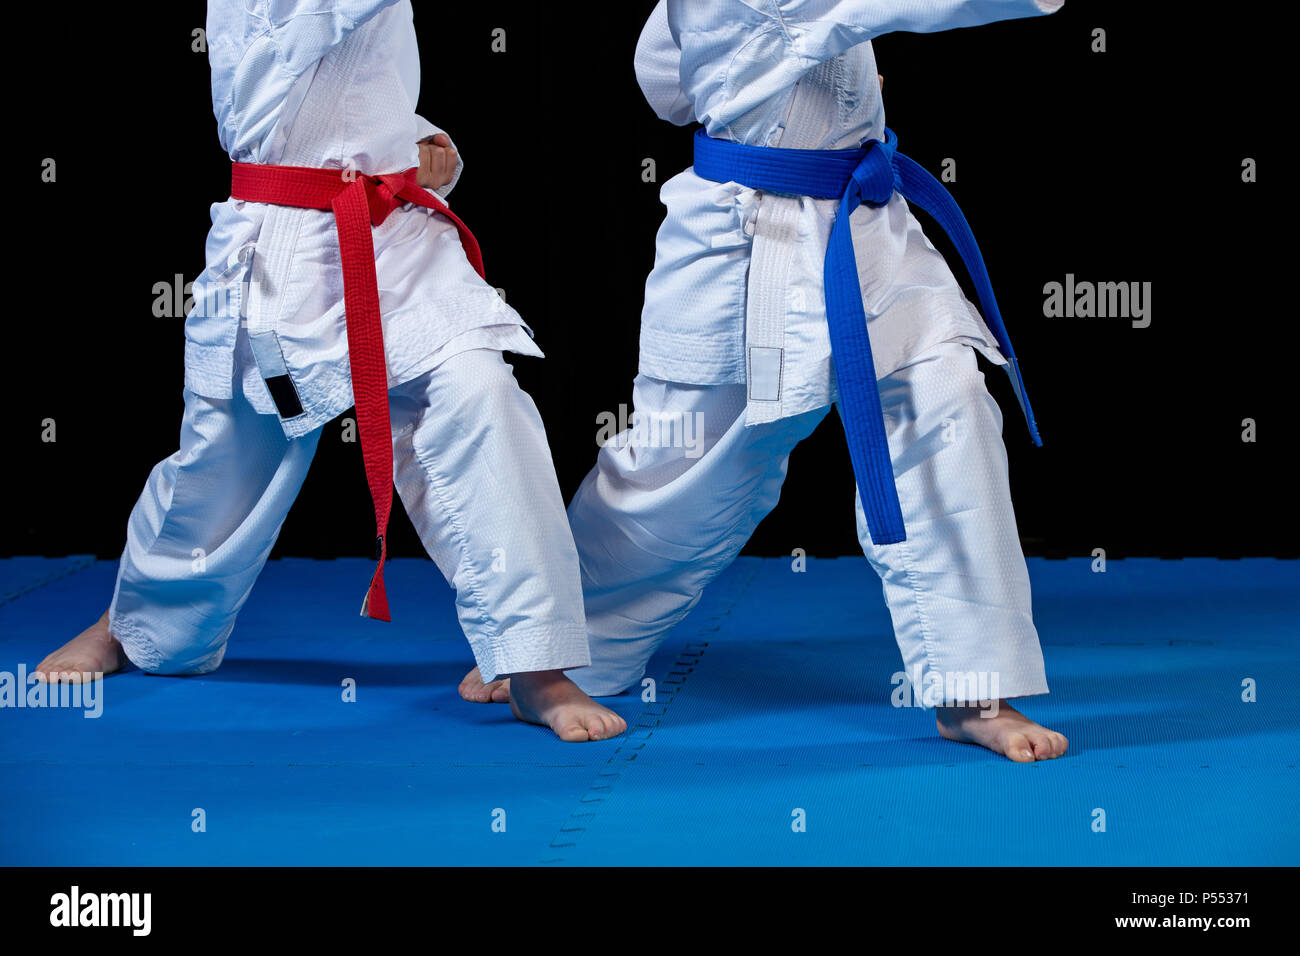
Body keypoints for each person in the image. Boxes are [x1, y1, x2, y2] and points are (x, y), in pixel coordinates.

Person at [463, 0, 1068, 762]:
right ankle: (553, 648)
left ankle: (973, 688)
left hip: (869, 229)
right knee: (681, 477)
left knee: (948, 403)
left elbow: (665, 77)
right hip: (747, 247)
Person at [35, 0, 626, 744]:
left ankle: (534, 662)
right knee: (226, 457)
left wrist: (417, 140)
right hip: (279, 249)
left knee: (482, 396)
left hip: (394, 239)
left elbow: (357, 91)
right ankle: (129, 622)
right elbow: (263, 88)